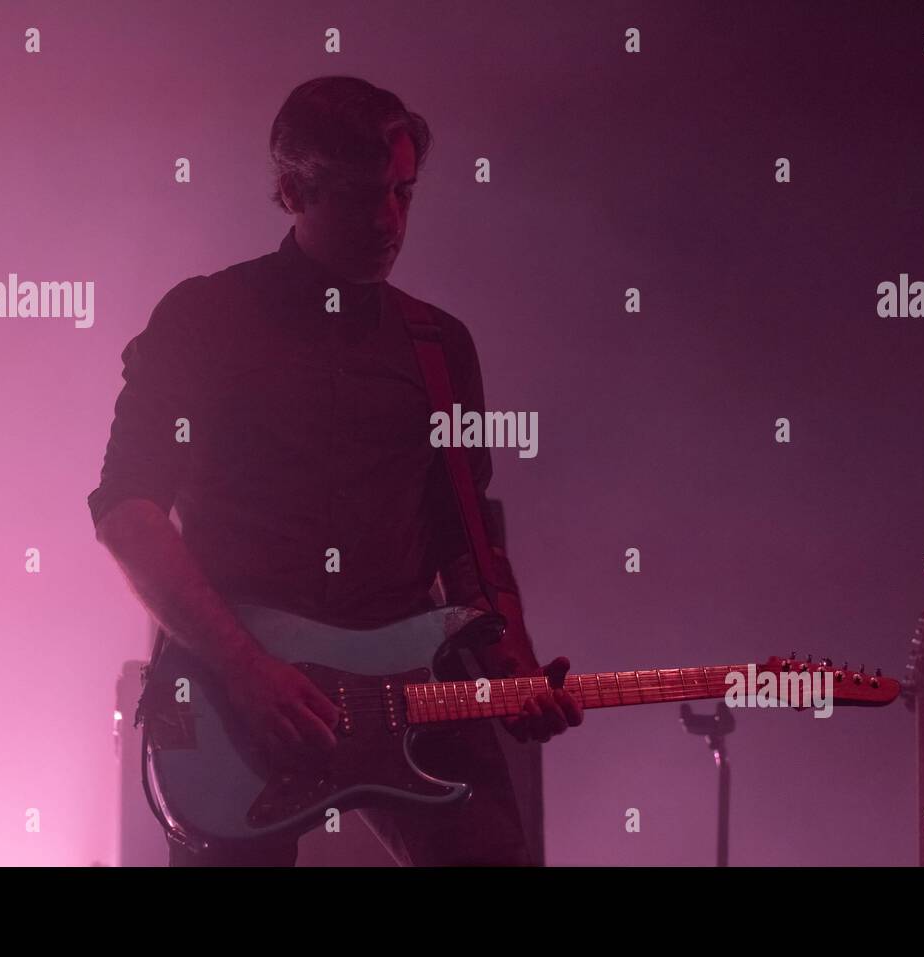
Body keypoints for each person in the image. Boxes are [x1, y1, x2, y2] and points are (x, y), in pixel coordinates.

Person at [88, 75, 582, 866]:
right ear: (291, 190)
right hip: (235, 695)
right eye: (360, 197)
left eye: (403, 192)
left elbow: (465, 533)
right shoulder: (202, 320)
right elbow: (126, 510)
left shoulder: (438, 344)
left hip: (412, 681)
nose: (389, 220)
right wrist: (244, 668)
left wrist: (512, 661)